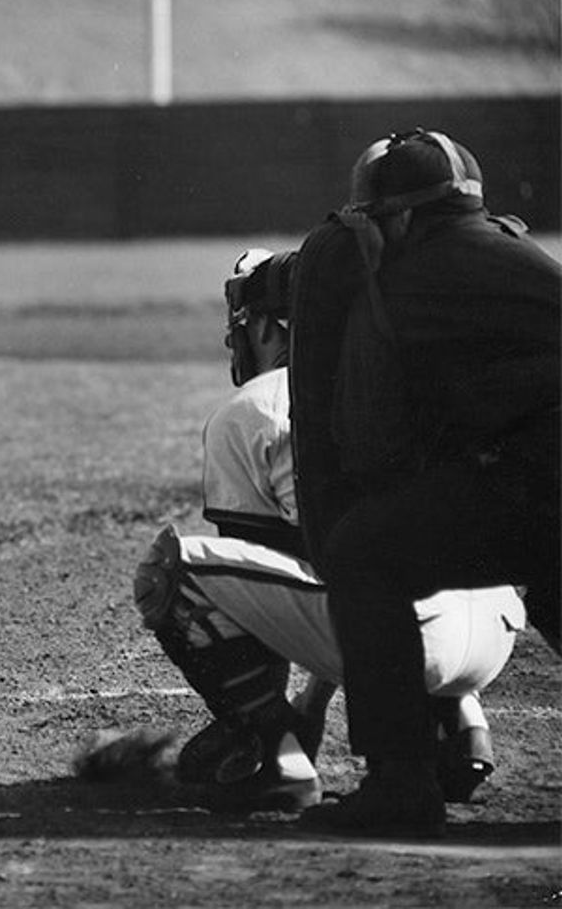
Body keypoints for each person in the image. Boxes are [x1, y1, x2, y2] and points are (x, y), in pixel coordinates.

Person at [123, 248, 524, 815]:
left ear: (268, 327)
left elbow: (269, 589)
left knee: (175, 572)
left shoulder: (252, 407)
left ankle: (278, 758)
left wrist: (285, 720)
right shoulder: (410, 380)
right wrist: (314, 703)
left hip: (412, 643)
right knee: (406, 552)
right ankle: (460, 731)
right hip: (495, 632)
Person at [288, 129, 560, 837]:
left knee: (363, 551)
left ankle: (400, 786)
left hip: (543, 479)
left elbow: (372, 444)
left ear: (402, 216)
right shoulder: (518, 255)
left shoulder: (409, 279)